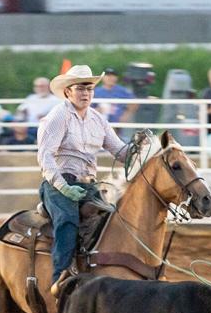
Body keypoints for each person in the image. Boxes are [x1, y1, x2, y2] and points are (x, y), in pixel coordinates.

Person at [38, 65, 128, 293]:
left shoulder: (98, 119)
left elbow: (119, 150)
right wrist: (63, 186)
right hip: (60, 183)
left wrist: (142, 150)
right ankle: (61, 280)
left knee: (113, 220)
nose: (85, 93)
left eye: (89, 88)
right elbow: (45, 155)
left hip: (88, 185)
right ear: (68, 92)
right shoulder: (59, 116)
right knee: (67, 220)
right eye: (80, 88)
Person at [92, 67, 137, 138]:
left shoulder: (122, 91)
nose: (110, 78)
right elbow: (89, 107)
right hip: (100, 124)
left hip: (117, 125)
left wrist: (126, 115)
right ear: (103, 78)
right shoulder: (96, 91)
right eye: (108, 75)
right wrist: (97, 110)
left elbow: (134, 102)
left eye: (113, 75)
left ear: (116, 78)